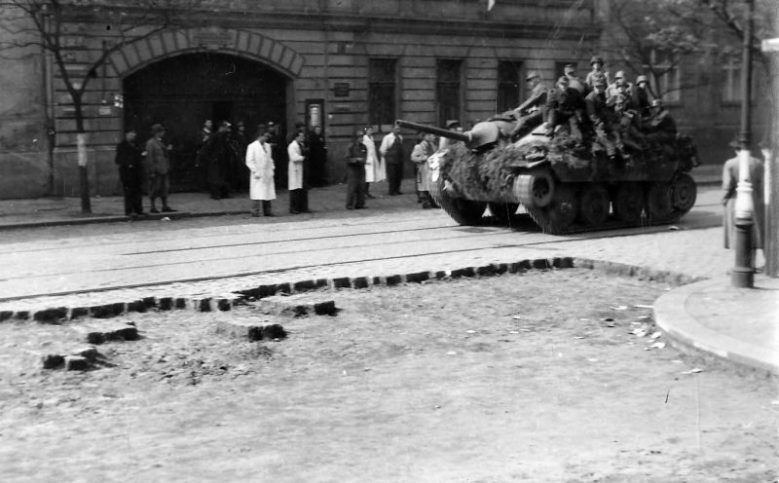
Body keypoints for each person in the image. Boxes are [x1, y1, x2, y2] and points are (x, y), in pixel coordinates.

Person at [722, 139, 765, 267]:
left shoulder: (730, 163)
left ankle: (742, 264)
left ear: (736, 150)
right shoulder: (758, 163)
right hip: (754, 200)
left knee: (738, 232)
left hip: (736, 201)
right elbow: (761, 185)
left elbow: (727, 185)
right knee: (753, 231)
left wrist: (724, 199)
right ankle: (751, 263)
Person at [197, 120, 236, 200]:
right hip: (215, 160)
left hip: (223, 160)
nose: (228, 129)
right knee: (215, 178)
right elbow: (208, 148)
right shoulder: (215, 136)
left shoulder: (225, 137)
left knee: (223, 177)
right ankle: (215, 194)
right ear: (222, 127)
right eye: (226, 127)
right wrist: (211, 158)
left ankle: (223, 193)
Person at [584, 74, 619, 161]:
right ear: (594, 87)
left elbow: (607, 108)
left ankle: (621, 150)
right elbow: (591, 114)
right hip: (596, 124)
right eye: (597, 87)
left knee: (618, 131)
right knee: (603, 136)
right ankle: (611, 153)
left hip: (606, 120)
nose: (599, 89)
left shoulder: (604, 95)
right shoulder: (590, 98)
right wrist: (599, 122)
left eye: (601, 87)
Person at [115, 128, 145, 218]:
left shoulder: (136, 144)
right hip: (127, 173)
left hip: (137, 173)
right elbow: (118, 159)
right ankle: (129, 210)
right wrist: (128, 163)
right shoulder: (122, 146)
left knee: (138, 192)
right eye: (132, 133)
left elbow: (139, 156)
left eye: (134, 133)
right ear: (126, 134)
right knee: (129, 193)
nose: (134, 135)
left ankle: (138, 210)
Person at [245, 127, 276, 217]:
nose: (266, 138)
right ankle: (255, 211)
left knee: (267, 192)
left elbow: (270, 159)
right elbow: (249, 161)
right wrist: (255, 171)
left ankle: (267, 210)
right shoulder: (252, 146)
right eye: (265, 136)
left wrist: (272, 168)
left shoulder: (267, 146)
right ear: (260, 136)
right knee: (257, 193)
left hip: (267, 172)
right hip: (258, 172)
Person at [544, 76, 585, 143]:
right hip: (559, 115)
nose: (563, 86)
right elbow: (548, 107)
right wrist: (545, 121)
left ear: (568, 84)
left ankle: (577, 141)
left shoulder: (574, 92)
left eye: (565, 84)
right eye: (562, 84)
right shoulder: (554, 92)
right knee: (553, 111)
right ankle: (550, 129)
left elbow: (581, 104)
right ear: (558, 84)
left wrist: (579, 113)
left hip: (570, 114)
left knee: (575, 126)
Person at [145, 123, 175, 213]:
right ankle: (153, 206)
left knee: (165, 187)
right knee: (155, 188)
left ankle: (164, 205)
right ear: (156, 133)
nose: (163, 133)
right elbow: (150, 157)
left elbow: (164, 155)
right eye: (161, 131)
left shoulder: (161, 142)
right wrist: (152, 170)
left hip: (164, 168)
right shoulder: (151, 143)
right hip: (156, 169)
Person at [511, 71, 549, 138]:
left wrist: (520, 108)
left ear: (537, 79)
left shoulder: (541, 87)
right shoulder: (537, 89)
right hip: (538, 110)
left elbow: (532, 100)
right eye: (529, 81)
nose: (529, 83)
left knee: (524, 120)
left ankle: (513, 135)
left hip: (541, 112)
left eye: (531, 80)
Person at [411, 131, 438, 209]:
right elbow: (413, 157)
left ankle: (434, 203)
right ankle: (426, 202)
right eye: (430, 135)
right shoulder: (419, 146)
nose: (433, 137)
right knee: (425, 187)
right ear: (425, 136)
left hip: (433, 169)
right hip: (424, 169)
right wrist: (423, 158)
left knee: (432, 186)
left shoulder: (433, 145)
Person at [380, 123, 405, 195]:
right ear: (392, 129)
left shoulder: (400, 137)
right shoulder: (387, 137)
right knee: (392, 176)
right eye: (397, 129)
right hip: (391, 160)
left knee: (399, 176)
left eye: (399, 129)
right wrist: (387, 157)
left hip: (399, 159)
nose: (398, 130)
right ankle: (391, 191)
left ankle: (397, 190)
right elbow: (383, 149)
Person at [287, 129, 309, 214]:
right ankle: (293, 208)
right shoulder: (292, 146)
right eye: (301, 136)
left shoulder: (301, 145)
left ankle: (302, 207)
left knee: (301, 189)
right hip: (295, 169)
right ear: (296, 137)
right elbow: (294, 157)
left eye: (303, 136)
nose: (302, 138)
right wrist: (302, 158)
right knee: (294, 190)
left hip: (301, 169)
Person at [345, 129, 367, 210]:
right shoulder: (351, 146)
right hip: (353, 170)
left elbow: (365, 155)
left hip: (361, 168)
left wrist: (363, 160)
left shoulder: (364, 146)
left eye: (362, 137)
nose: (361, 138)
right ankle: (349, 204)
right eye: (360, 137)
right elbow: (347, 158)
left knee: (361, 187)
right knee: (352, 187)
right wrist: (356, 160)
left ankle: (360, 203)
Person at [363, 126, 383, 198]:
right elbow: (364, 150)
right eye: (369, 130)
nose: (370, 132)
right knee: (366, 177)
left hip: (372, 159)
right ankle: (363, 192)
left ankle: (366, 192)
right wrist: (365, 159)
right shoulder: (364, 139)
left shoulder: (371, 138)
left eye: (371, 130)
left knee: (369, 178)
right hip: (367, 160)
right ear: (366, 131)